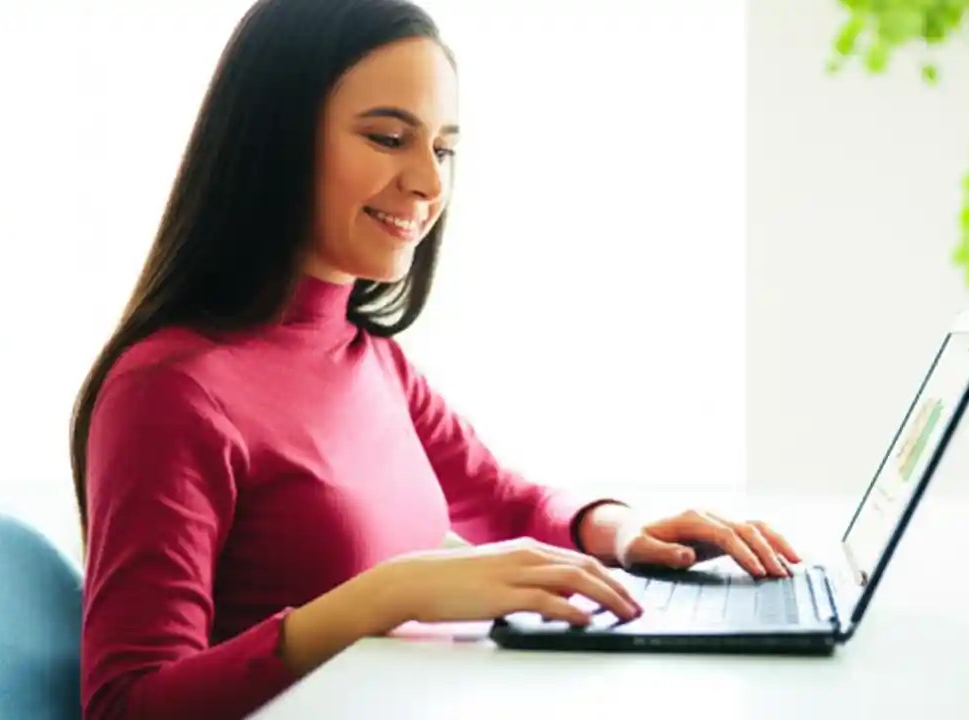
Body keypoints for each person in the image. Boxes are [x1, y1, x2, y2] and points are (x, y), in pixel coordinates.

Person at [68, 1, 802, 717]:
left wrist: (625, 532)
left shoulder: (369, 359)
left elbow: (504, 502)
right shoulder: (170, 392)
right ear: (274, 139)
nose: (430, 183)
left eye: (443, 148)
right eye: (389, 138)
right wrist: (386, 595)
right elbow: (130, 702)